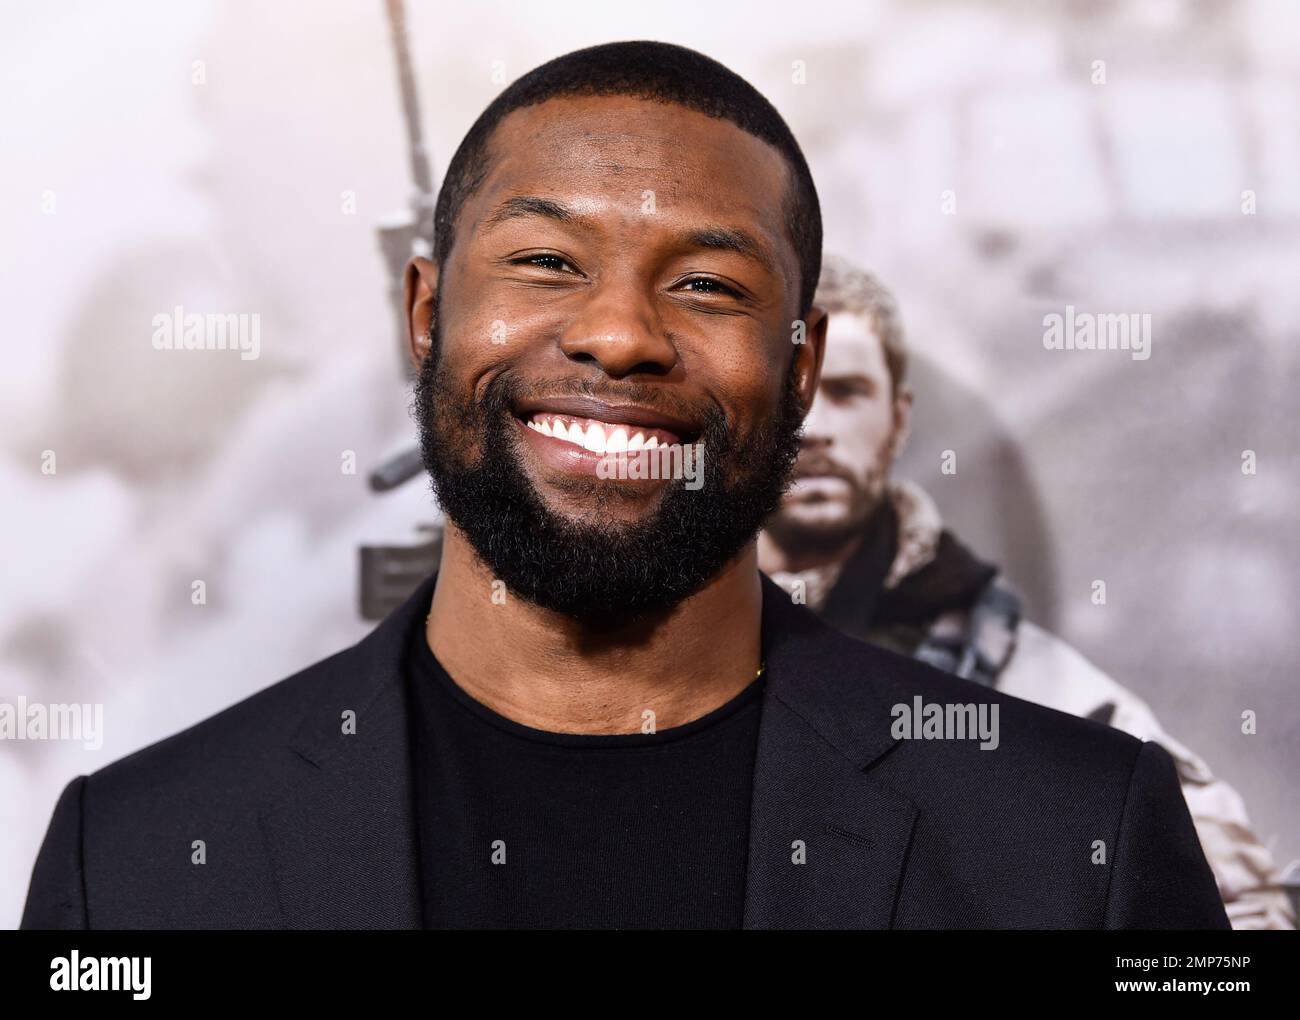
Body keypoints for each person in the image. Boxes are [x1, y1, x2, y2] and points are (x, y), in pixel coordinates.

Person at [22, 41, 1227, 929]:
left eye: (706, 284)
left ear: (801, 370)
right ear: (425, 315)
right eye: (545, 261)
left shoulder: (1077, 845)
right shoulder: (128, 862)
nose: (616, 335)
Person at [758, 253, 1295, 930]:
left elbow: (1241, 915)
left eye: (849, 392)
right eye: (799, 393)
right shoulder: (654, 645)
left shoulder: (1036, 688)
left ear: (899, 420)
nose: (819, 428)